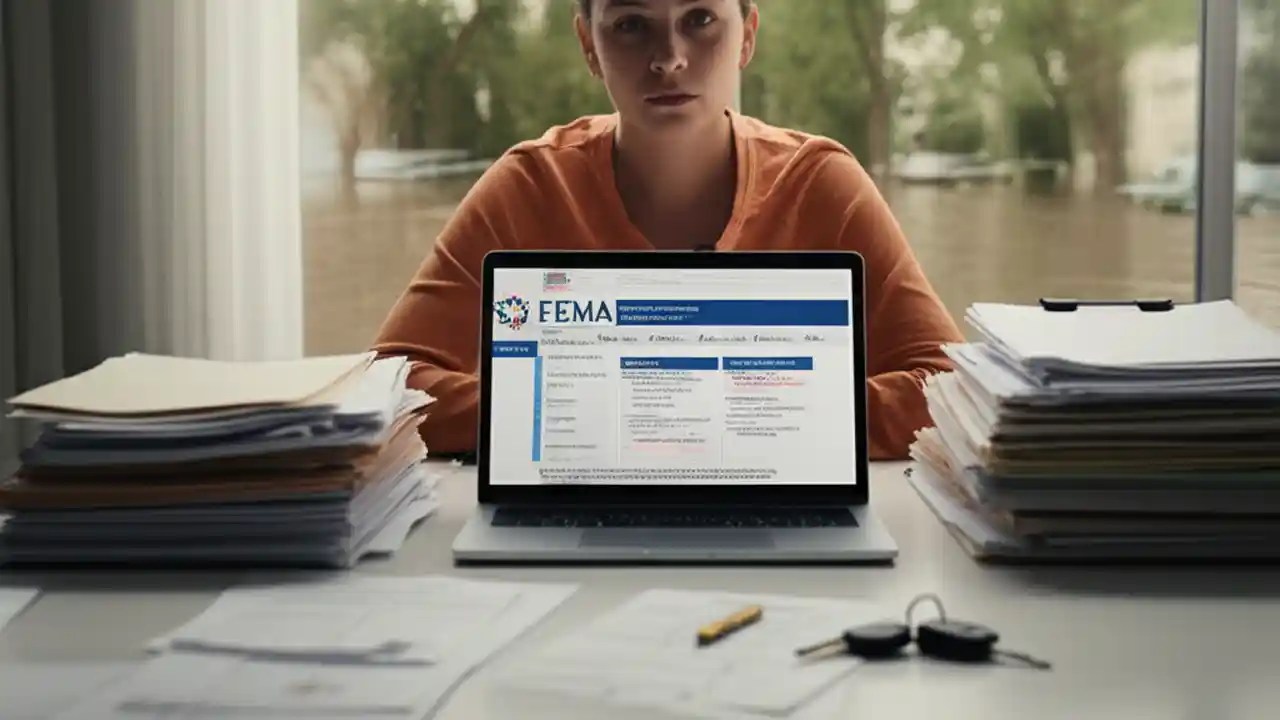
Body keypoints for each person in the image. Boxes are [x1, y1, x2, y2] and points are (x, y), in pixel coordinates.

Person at [372, 0, 963, 461]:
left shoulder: (820, 182)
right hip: (578, 505)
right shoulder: (529, 185)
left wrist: (728, 417)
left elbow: (951, 389)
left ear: (747, 35)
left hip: (773, 502)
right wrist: (580, 416)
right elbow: (388, 384)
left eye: (700, 19)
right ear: (589, 44)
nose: (669, 57)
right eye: (631, 25)